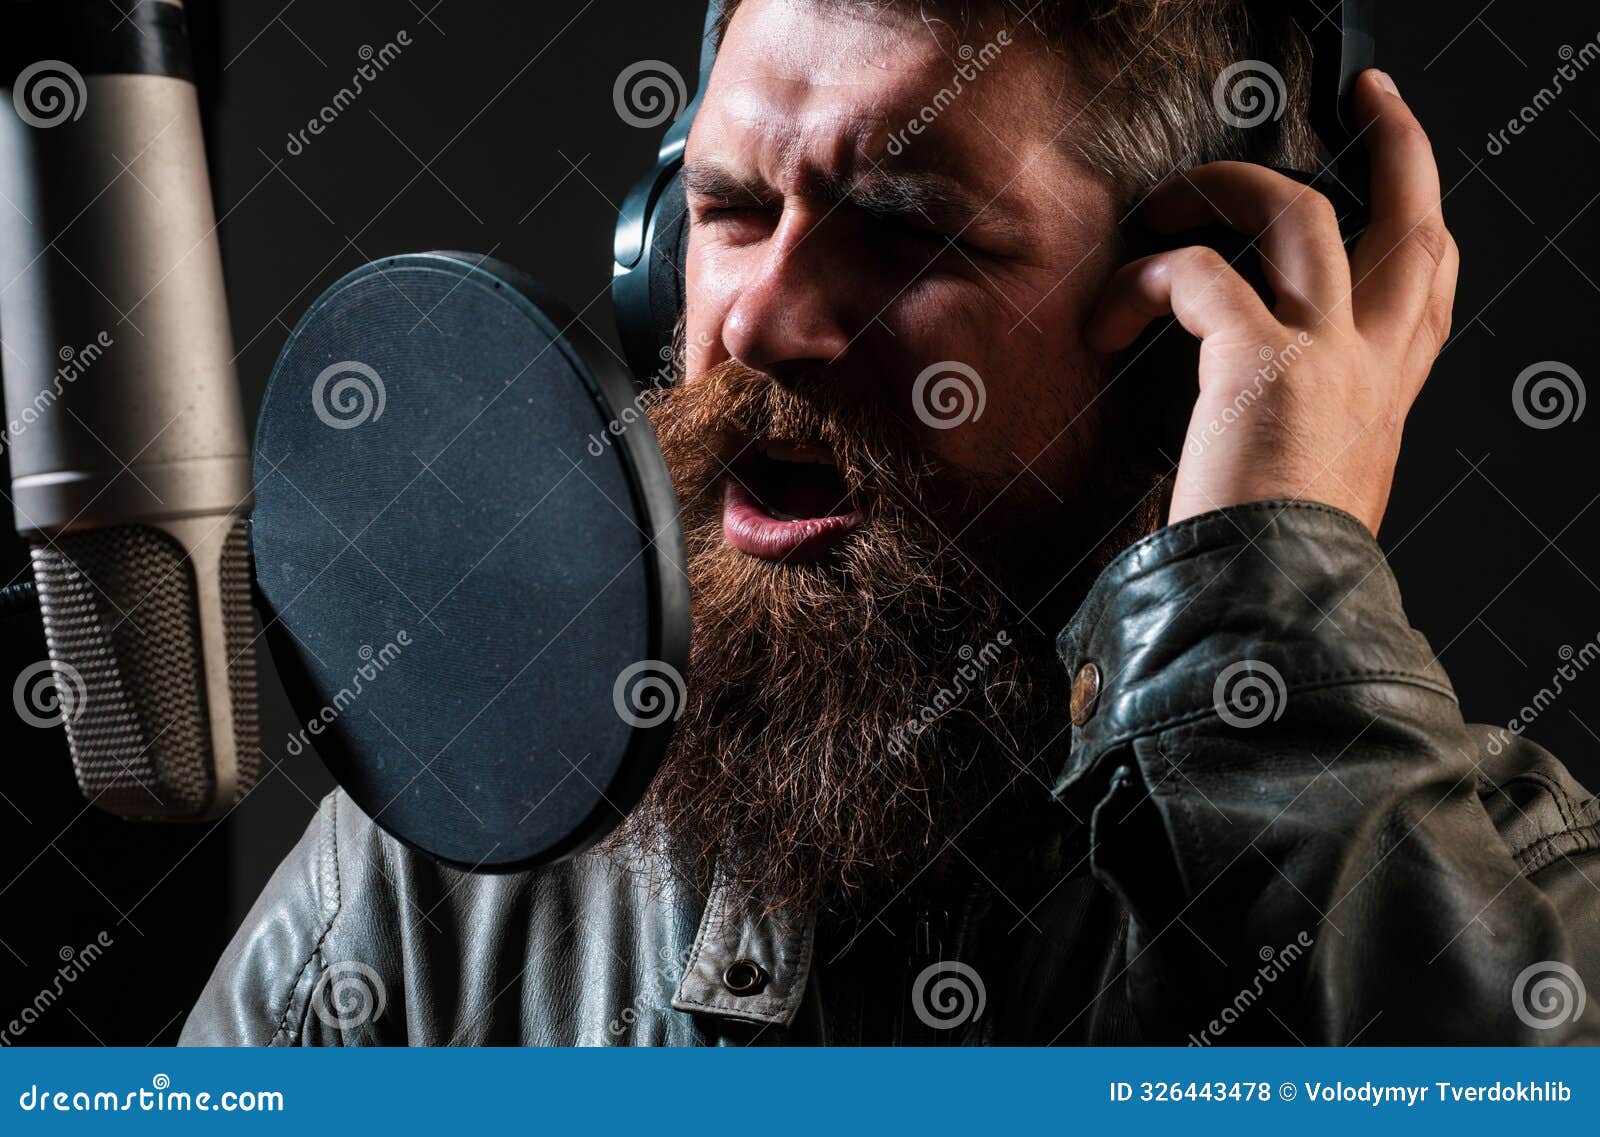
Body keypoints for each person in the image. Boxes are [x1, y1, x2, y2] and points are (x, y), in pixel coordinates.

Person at [183, 0, 1600, 1045]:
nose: (760, 322)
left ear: (1193, 323)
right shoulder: (452, 880)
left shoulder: (1511, 900)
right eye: (730, 213)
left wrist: (1279, 683)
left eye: (911, 231)